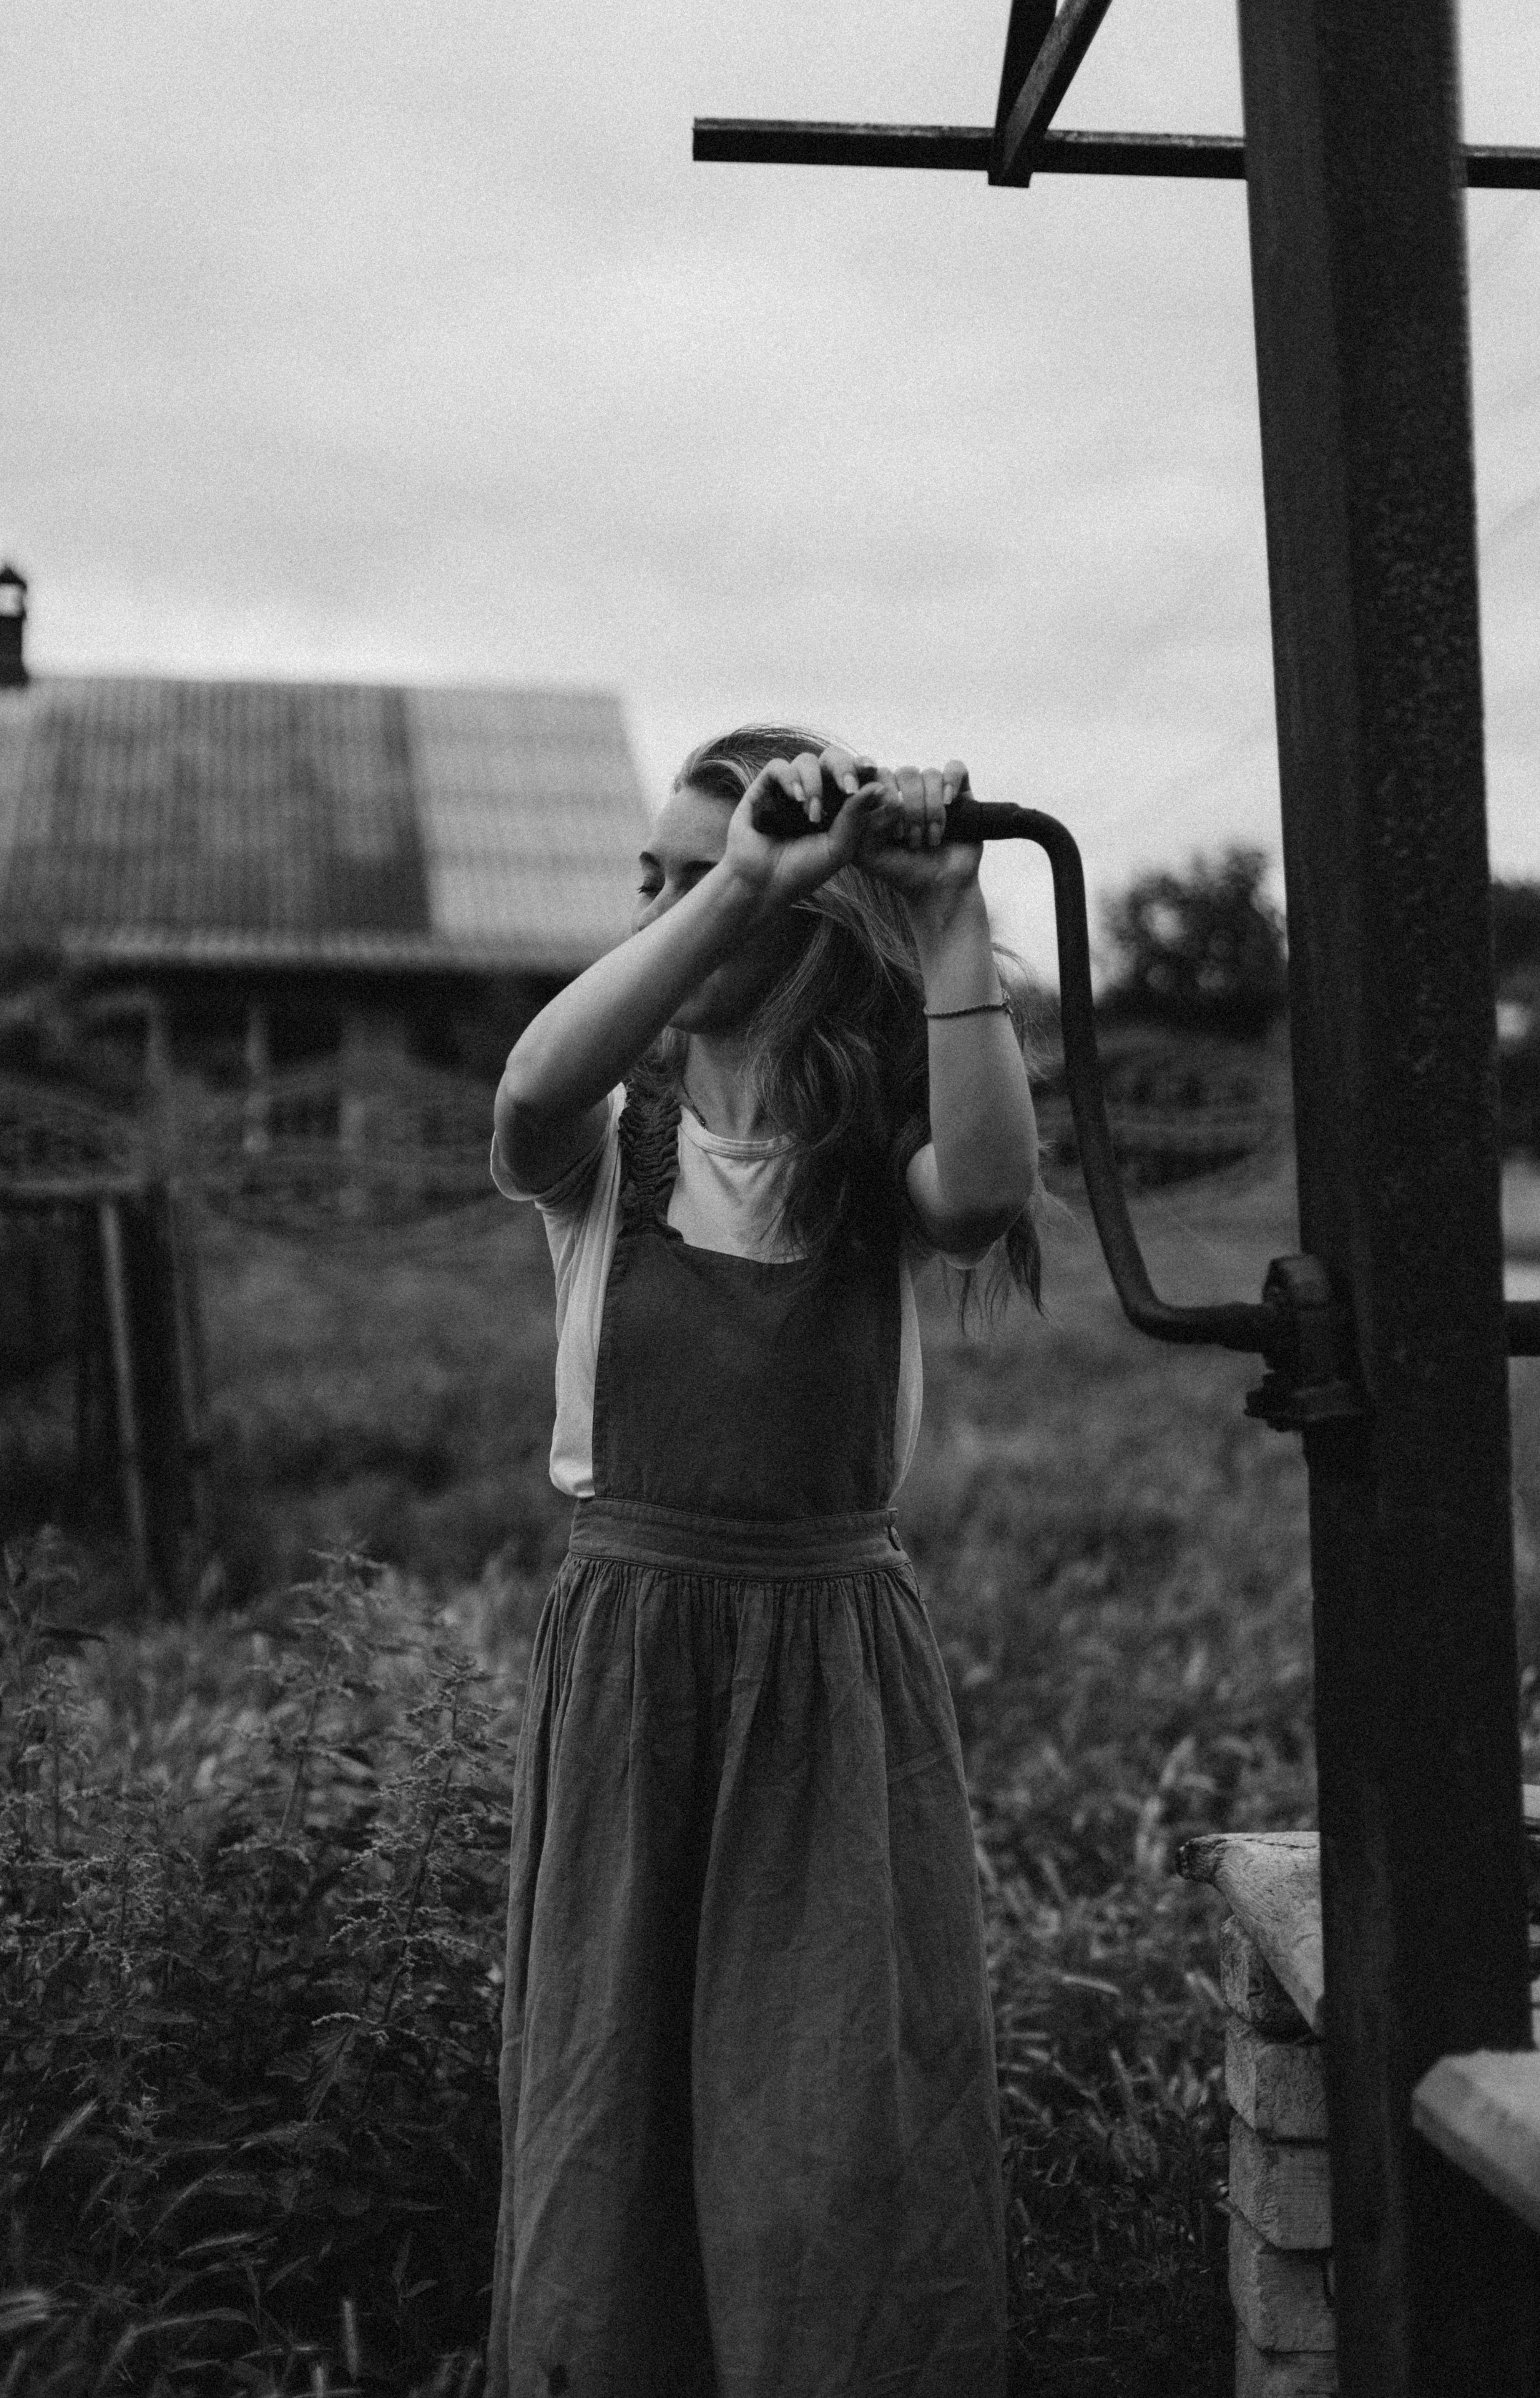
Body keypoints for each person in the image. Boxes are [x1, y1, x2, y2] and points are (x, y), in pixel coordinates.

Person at [485, 724, 1042, 2398]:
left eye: (703, 874)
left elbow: (990, 1186)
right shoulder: (603, 1152)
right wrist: (732, 879)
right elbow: (524, 1089)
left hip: (827, 1677)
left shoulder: (874, 1151)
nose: (665, 908)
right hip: (633, 1670)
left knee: (826, 2148)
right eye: (650, 882)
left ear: (811, 918)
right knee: (611, 2127)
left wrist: (946, 920)